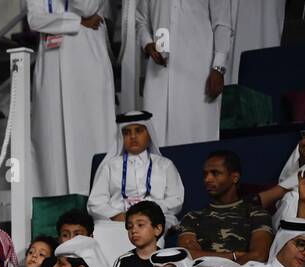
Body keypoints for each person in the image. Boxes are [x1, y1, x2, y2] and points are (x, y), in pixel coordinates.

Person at [27, 0, 117, 196]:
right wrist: (76, 22)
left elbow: (87, 7)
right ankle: (56, 204)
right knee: (53, 139)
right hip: (52, 64)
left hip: (87, 61)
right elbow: (35, 19)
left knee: (91, 133)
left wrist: (71, 19)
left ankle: (98, 202)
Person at [137, 0, 231, 147]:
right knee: (156, 142)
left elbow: (222, 24)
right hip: (158, 75)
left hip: (197, 75)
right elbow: (141, 20)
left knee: (196, 141)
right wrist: (147, 43)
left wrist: (218, 67)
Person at [177, 151, 274, 265]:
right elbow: (187, 256)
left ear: (235, 177)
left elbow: (259, 256)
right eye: (205, 174)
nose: (207, 179)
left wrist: (205, 257)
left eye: (215, 173)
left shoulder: (257, 214)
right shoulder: (193, 217)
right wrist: (232, 256)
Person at [89, 113, 184, 226]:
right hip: (117, 220)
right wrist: (115, 214)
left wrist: (149, 212)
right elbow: (95, 202)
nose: (133, 137)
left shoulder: (165, 165)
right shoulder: (109, 166)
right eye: (127, 133)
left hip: (156, 218)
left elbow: (176, 199)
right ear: (121, 138)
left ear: (149, 134)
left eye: (138, 131)